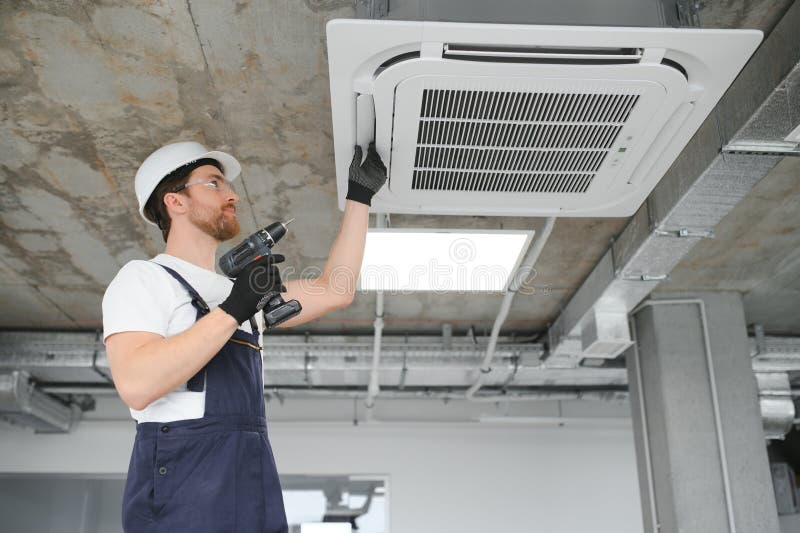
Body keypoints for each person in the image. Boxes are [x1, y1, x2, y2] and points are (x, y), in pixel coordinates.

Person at [102, 140, 387, 532]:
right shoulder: (144, 279)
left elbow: (336, 289)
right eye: (214, 183)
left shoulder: (235, 291)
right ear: (176, 202)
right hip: (183, 484)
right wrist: (235, 309)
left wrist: (360, 196)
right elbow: (137, 384)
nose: (232, 194)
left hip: (251, 478)